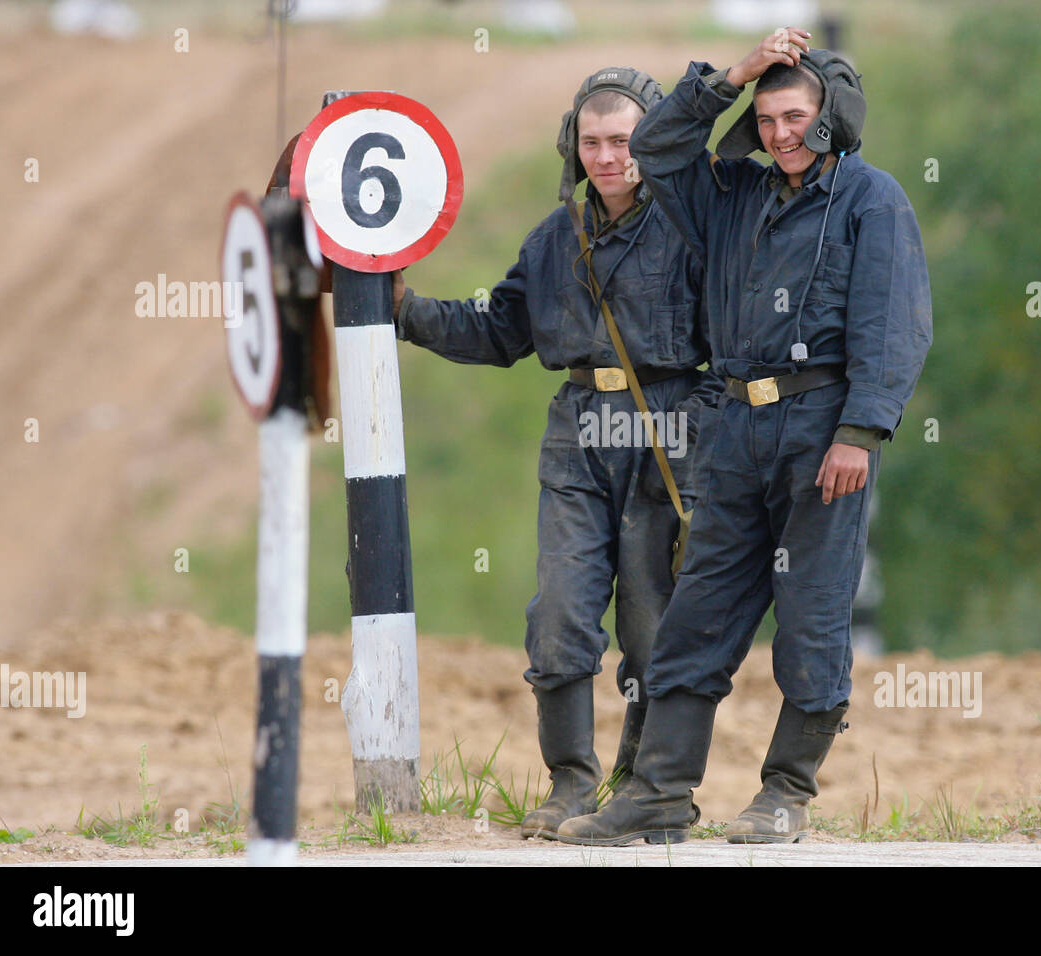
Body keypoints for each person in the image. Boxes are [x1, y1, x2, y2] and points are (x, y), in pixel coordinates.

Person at [558, 29, 932, 846]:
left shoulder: (874, 201)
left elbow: (892, 326)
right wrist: (735, 75)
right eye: (765, 120)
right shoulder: (731, 197)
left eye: (794, 117)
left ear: (831, 116)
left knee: (811, 615)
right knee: (697, 614)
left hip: (820, 433)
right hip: (732, 428)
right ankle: (658, 796)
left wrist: (861, 432)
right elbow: (658, 145)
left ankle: (785, 793)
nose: (779, 134)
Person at [389, 68, 719, 839]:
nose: (607, 156)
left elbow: (733, 347)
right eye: (593, 140)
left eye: (624, 141)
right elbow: (499, 329)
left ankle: (643, 789)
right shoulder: (554, 238)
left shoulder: (690, 226)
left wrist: (700, 428)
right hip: (577, 430)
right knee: (560, 615)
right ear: (573, 146)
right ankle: (570, 784)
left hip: (666, 428)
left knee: (653, 626)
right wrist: (405, 310)